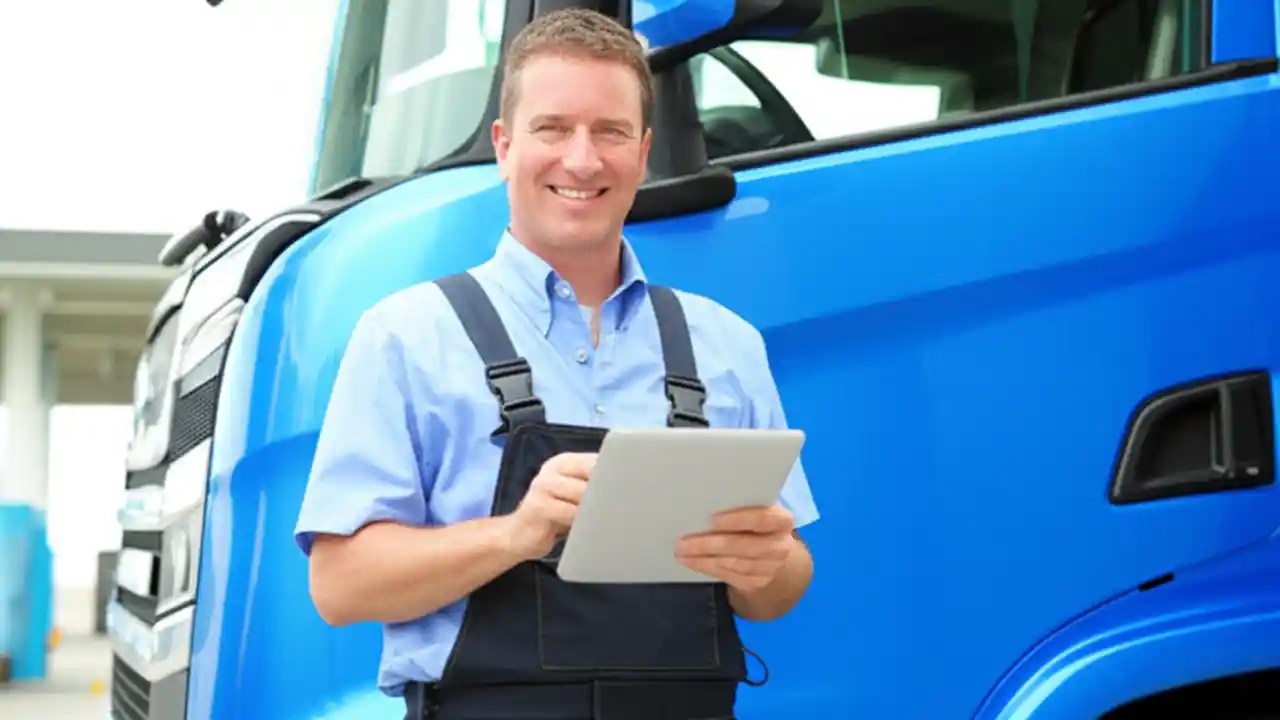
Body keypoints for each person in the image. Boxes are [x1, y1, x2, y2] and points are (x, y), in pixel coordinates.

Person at [294, 8, 820, 719]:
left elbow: (782, 585)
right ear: (506, 146)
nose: (582, 159)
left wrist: (766, 568)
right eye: (553, 129)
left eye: (609, 132)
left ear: (642, 150)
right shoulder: (406, 337)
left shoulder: (726, 344)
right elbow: (340, 585)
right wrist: (519, 532)